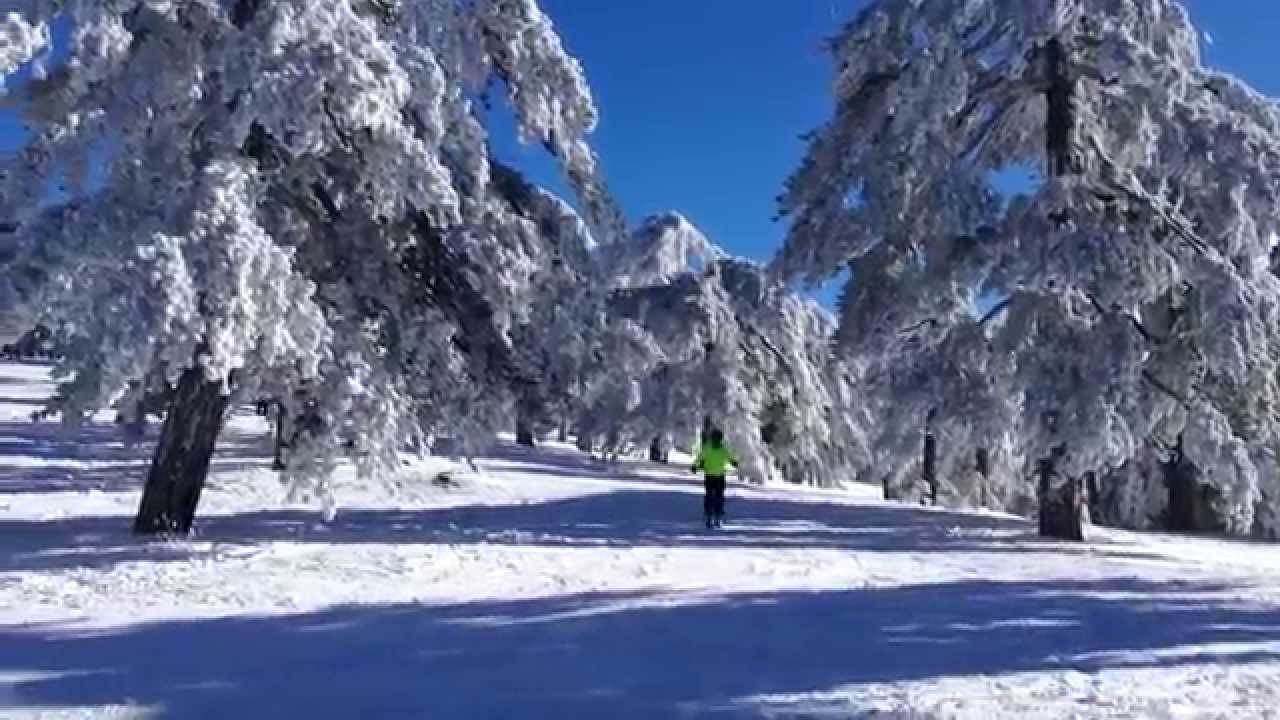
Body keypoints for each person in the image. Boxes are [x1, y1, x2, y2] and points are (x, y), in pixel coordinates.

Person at [692, 428, 738, 529]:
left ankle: (711, 514)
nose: (717, 440)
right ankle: (716, 515)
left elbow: (700, 458)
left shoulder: (710, 448)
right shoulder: (722, 449)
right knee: (718, 496)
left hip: (711, 475)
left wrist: (695, 466)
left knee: (711, 495)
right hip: (718, 476)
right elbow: (730, 458)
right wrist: (734, 462)